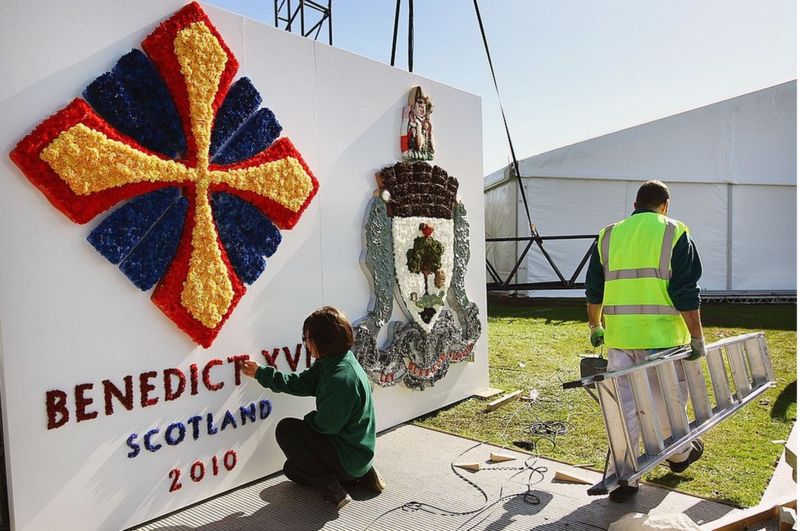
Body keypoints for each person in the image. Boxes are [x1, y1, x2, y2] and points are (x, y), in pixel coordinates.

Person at [585, 180, 706, 502]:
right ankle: (678, 456)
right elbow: (686, 291)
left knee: (624, 409)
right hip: (662, 339)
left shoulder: (608, 235)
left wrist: (595, 325)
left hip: (621, 339)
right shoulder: (674, 232)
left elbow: (594, 288)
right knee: (667, 403)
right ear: (664, 205)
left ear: (635, 205)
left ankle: (625, 479)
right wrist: (697, 337)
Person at [242, 306, 383, 510]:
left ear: (322, 340)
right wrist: (261, 373)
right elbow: (300, 383)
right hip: (357, 452)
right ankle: (362, 477)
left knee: (287, 429)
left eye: (307, 338)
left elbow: (326, 425)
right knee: (292, 470)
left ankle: (334, 488)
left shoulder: (340, 379)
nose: (306, 344)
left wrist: (308, 422)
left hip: (348, 457)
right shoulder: (335, 361)